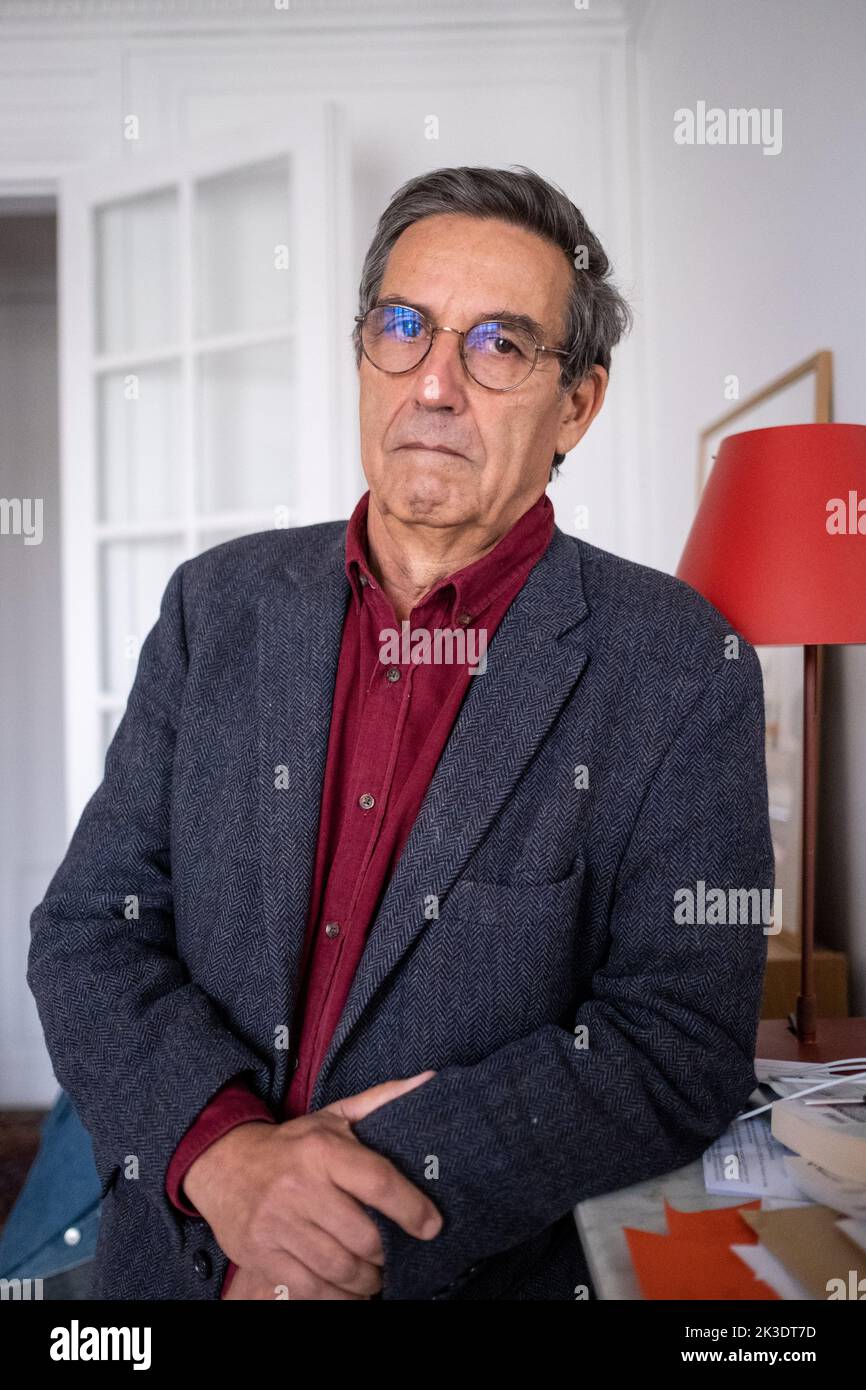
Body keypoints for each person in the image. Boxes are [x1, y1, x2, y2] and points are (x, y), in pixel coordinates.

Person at [27, 165, 773, 1301]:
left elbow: (675, 1044)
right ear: (362, 350)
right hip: (168, 1272)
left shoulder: (678, 668)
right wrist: (224, 1160)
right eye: (405, 327)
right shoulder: (213, 610)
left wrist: (337, 1206)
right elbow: (89, 929)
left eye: (499, 346)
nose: (434, 383)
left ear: (575, 402)